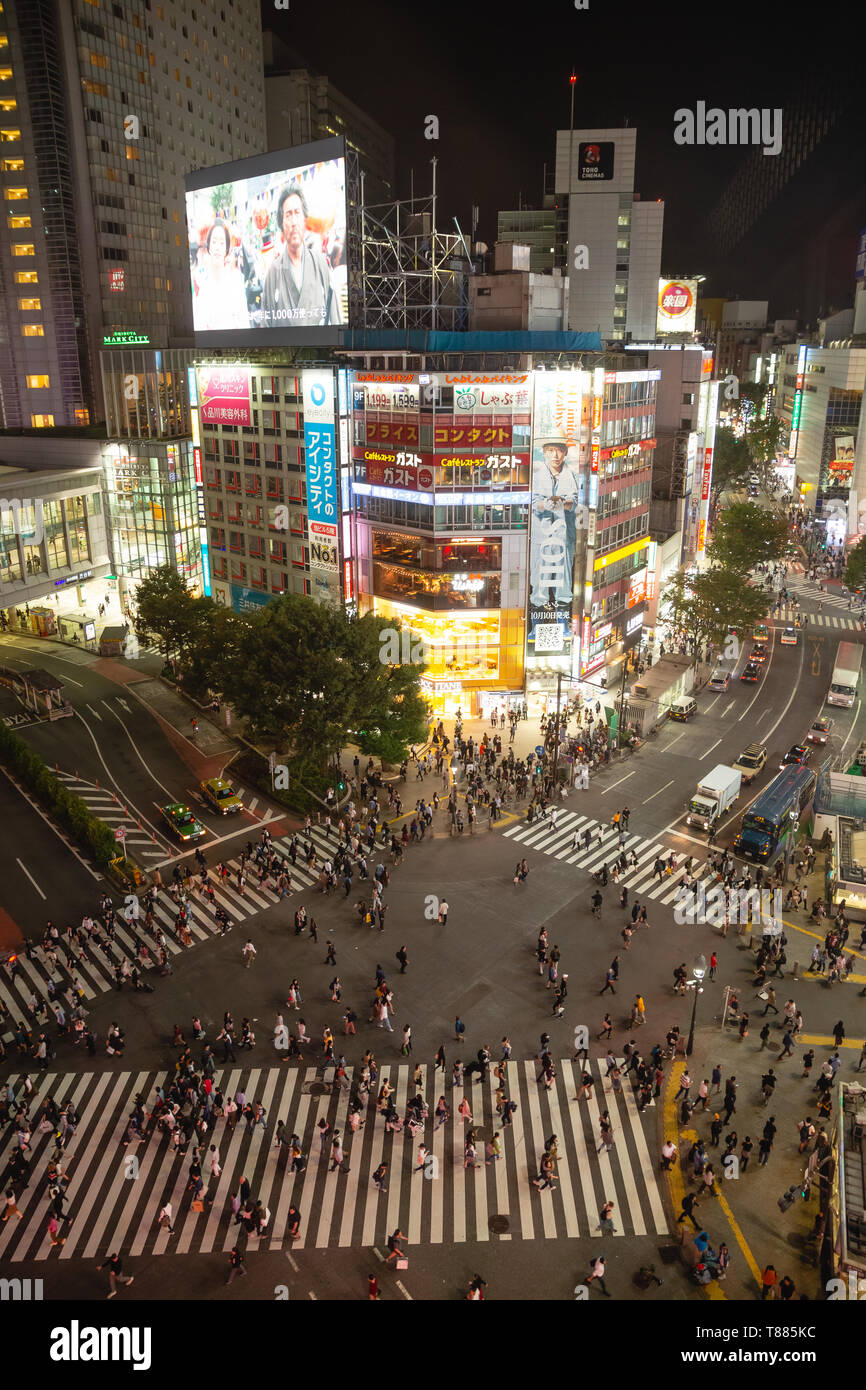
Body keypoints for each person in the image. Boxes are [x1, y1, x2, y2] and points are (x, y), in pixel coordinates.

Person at [260, 183, 341, 328]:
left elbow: (335, 319)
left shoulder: (320, 263)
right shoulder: (273, 271)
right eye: (288, 215)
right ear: (281, 223)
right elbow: (266, 325)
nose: (293, 222)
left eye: (297, 213)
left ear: (304, 220)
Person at [193, 219, 249, 330]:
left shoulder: (236, 281)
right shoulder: (202, 283)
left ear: (227, 248)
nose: (217, 247)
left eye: (222, 243)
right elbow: (199, 324)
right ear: (209, 246)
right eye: (214, 242)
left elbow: (244, 323)